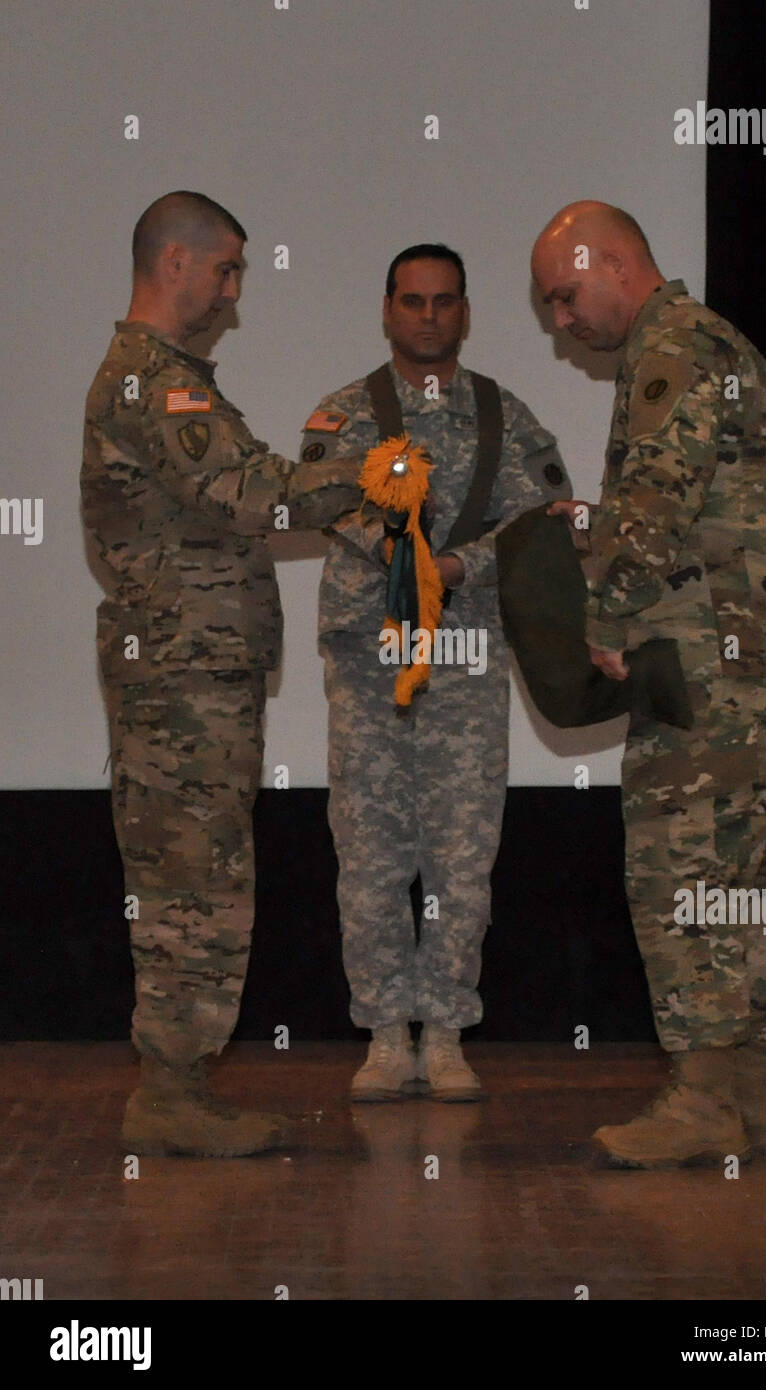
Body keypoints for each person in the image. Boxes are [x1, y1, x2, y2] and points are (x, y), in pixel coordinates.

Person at [81, 191, 363, 1156]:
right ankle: (169, 1092)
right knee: (188, 881)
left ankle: (179, 1088)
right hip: (178, 686)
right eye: (227, 269)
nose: (236, 292)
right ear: (174, 263)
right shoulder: (155, 385)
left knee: (203, 872)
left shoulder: (171, 380)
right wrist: (365, 473)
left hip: (194, 681)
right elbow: (254, 494)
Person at [532, 201, 766, 1167]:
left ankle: (700, 1096)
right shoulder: (716, 340)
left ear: (610, 261)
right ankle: (756, 1094)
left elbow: (653, 503)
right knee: (740, 872)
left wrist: (606, 621)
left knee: (680, 870)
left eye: (565, 295)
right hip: (750, 646)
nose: (564, 321)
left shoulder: (671, 347)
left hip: (697, 655)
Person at [301, 243, 571, 1101]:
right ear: (387, 310)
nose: (427, 316)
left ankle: (447, 1031)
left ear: (464, 313)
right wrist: (398, 556)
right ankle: (385, 1033)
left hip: (465, 653)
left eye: (443, 302)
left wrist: (455, 569)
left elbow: (542, 522)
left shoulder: (504, 416)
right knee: (371, 850)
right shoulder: (343, 414)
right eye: (412, 301)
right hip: (372, 653)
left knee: (461, 854)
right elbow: (315, 498)